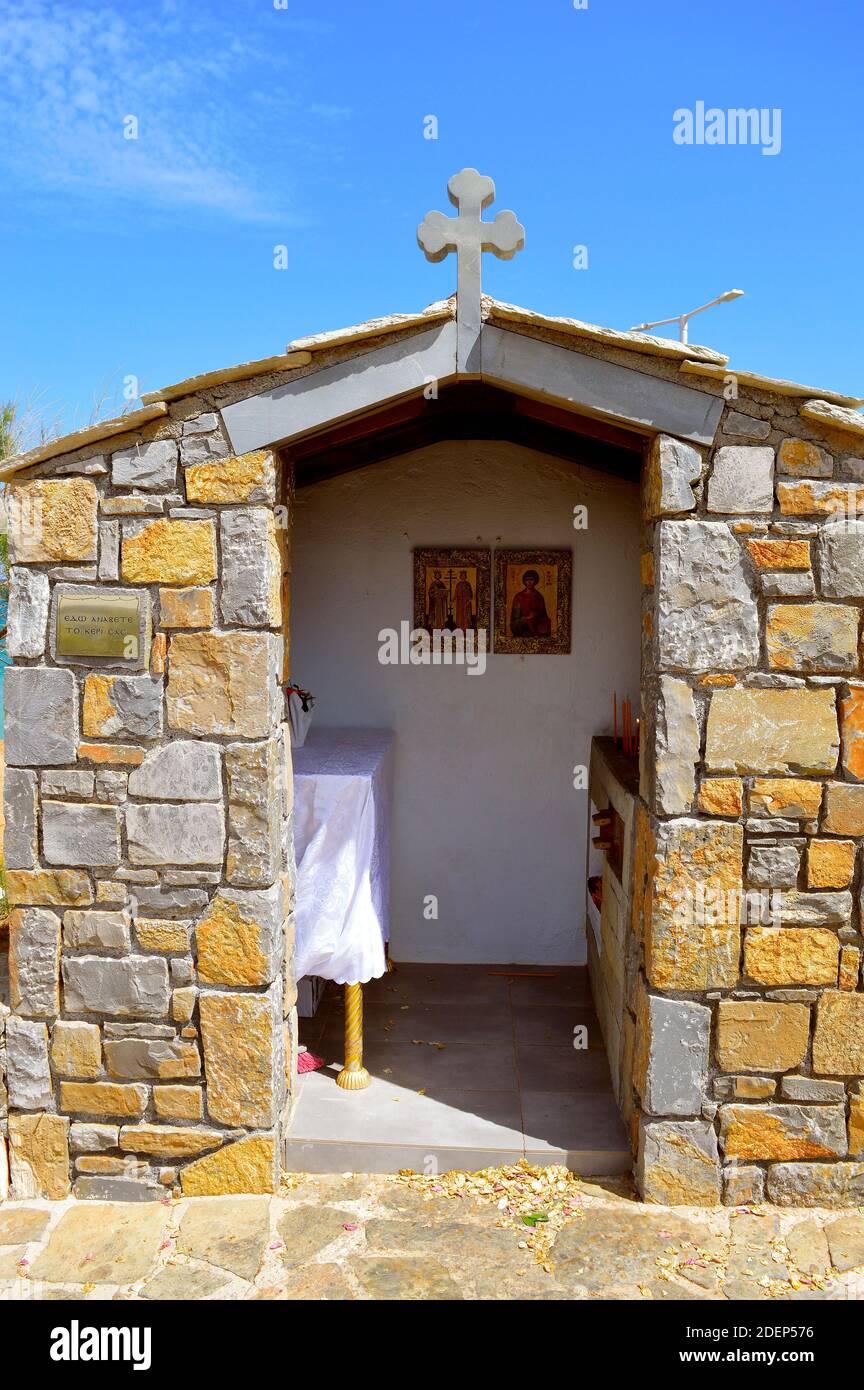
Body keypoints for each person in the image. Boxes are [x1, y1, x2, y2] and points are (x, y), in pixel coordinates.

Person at [510, 569, 551, 638]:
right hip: (523, 627)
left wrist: (536, 615)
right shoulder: (519, 597)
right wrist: (527, 618)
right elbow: (515, 620)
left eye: (531, 580)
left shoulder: (539, 597)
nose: (529, 582)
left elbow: (544, 615)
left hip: (537, 625)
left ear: (535, 581)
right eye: (527, 580)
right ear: (524, 581)